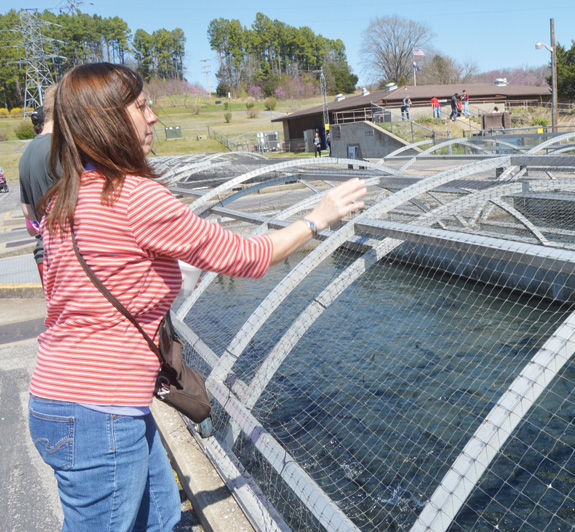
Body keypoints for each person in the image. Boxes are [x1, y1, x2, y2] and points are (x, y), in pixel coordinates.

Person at [28, 62, 366, 531]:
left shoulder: (63, 200)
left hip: (70, 399)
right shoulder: (132, 197)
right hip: (97, 413)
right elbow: (248, 256)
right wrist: (317, 219)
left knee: (163, 514)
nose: (153, 119)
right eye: (142, 107)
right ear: (106, 119)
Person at [20, 85, 57, 285]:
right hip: (73, 256)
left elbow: (27, 212)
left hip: (44, 253)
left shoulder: (26, 154)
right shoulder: (62, 148)